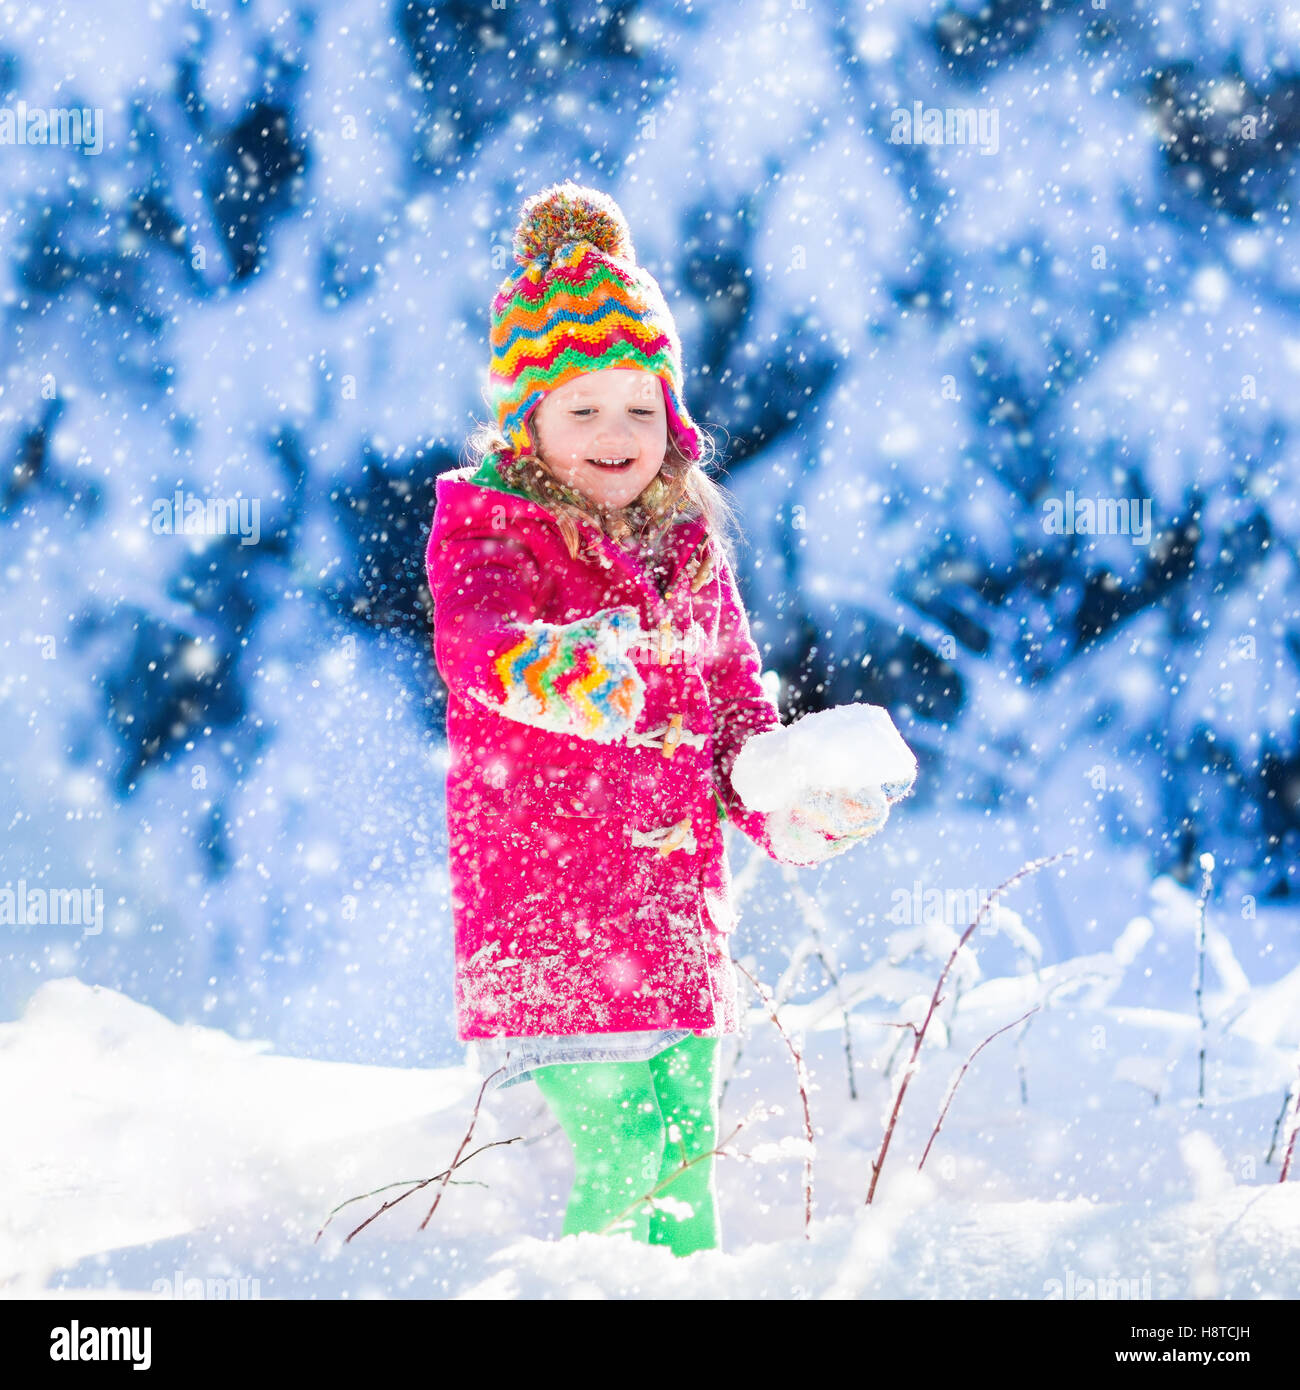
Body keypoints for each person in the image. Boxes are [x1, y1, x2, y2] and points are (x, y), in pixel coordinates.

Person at [425, 180, 913, 1258]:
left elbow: (734, 714)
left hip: (670, 922)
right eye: (581, 409)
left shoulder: (689, 549)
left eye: (639, 407)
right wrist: (582, 676)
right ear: (528, 420)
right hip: (551, 914)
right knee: (624, 1145)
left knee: (688, 1149)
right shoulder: (491, 531)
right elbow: (480, 648)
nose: (615, 433)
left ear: (672, 417)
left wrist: (784, 800)